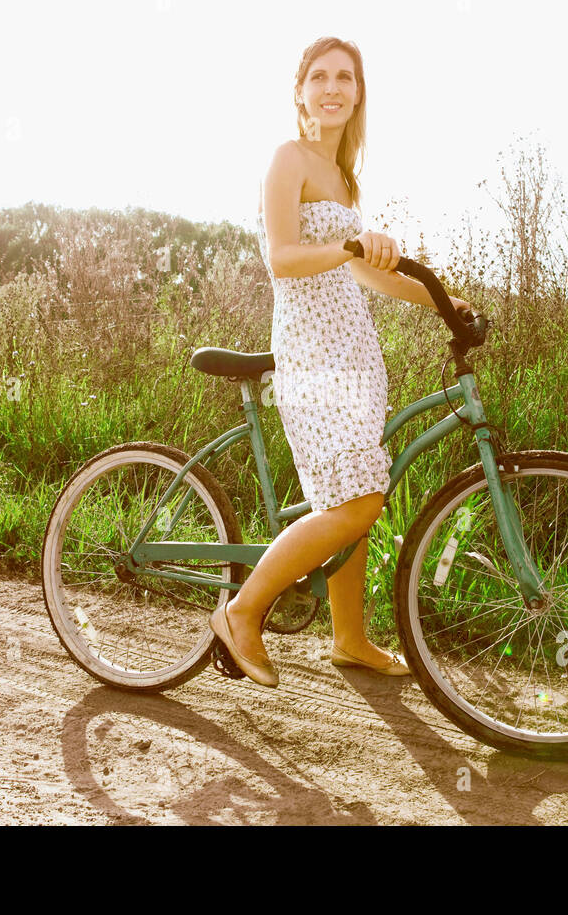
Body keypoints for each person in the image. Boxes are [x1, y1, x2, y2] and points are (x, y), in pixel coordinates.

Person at [210, 36, 472, 688]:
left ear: (358, 94)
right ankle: (242, 612)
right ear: (300, 91)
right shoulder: (288, 159)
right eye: (320, 76)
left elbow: (368, 274)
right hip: (312, 354)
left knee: (349, 493)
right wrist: (350, 242)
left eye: (346, 78)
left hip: (355, 353)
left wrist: (442, 300)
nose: (333, 87)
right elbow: (283, 257)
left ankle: (350, 638)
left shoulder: (345, 180)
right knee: (358, 503)